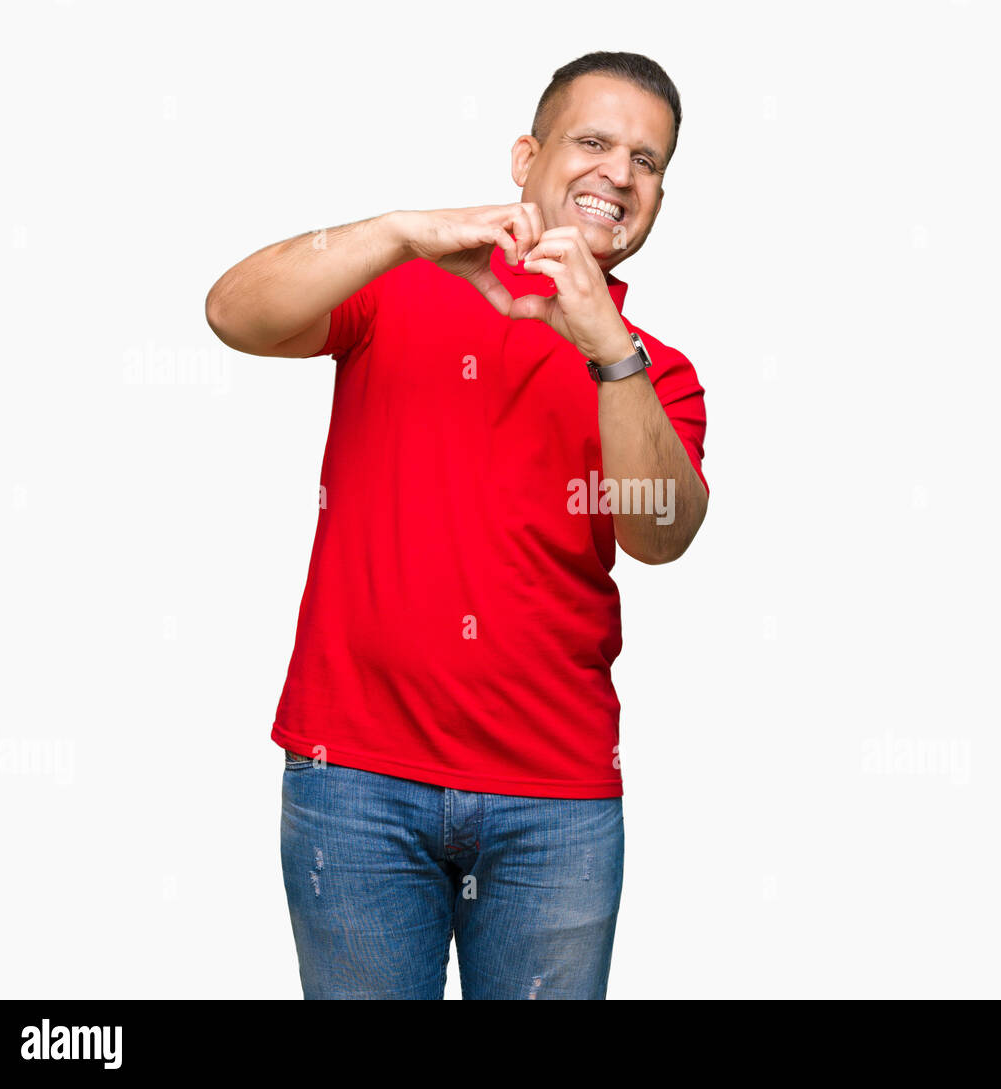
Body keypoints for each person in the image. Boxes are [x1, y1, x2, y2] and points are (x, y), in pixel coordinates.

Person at [204, 51, 708, 999]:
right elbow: (232, 314)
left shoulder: (654, 371)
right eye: (593, 141)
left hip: (555, 798)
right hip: (354, 777)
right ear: (526, 156)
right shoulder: (399, 285)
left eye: (648, 161)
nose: (618, 173)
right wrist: (397, 231)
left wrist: (610, 353)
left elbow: (659, 533)